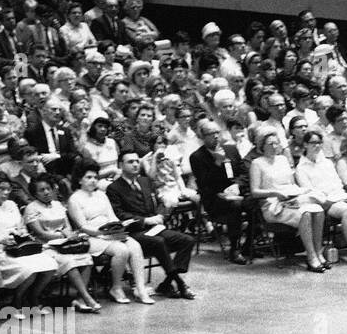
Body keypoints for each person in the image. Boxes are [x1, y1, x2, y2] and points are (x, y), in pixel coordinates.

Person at [106, 151, 198, 298]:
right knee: (158, 242)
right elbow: (119, 215)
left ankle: (167, 283)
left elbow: (160, 201)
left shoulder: (145, 181)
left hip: (155, 228)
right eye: (130, 162)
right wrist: (145, 221)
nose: (135, 164)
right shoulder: (114, 188)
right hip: (133, 232)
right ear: (121, 165)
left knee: (187, 240)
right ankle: (180, 283)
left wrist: (161, 214)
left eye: (137, 161)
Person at [0, 172, 64, 315]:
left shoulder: (11, 205)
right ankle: (17, 301)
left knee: (50, 264)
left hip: (19, 248)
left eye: (8, 189)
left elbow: (21, 226)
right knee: (29, 270)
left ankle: (32, 296)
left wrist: (21, 232)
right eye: (1, 189)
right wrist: (0, 240)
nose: (5, 193)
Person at [67, 164, 152, 305]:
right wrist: (102, 233)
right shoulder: (74, 199)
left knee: (135, 246)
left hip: (110, 233)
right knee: (121, 250)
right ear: (80, 180)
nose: (93, 180)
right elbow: (82, 226)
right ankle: (116, 287)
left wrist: (118, 227)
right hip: (90, 237)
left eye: (95, 177)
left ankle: (140, 288)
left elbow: (112, 216)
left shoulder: (101, 194)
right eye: (88, 177)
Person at [249, 130, 328, 272]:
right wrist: (275, 193)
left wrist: (298, 192)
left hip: (290, 199)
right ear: (262, 145)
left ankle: (318, 252)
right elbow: (255, 192)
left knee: (319, 210)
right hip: (272, 205)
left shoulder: (283, 160)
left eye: (276, 143)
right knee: (306, 214)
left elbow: (291, 184)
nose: (274, 146)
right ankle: (311, 257)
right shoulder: (257, 163)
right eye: (270, 143)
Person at [22, 175, 102, 313]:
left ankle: (79, 298)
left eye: (48, 188)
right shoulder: (31, 208)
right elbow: (41, 233)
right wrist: (63, 235)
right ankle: (87, 297)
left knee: (86, 258)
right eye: (41, 190)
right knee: (69, 261)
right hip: (45, 247)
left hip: (64, 244)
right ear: (35, 193)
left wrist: (68, 236)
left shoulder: (58, 205)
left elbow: (68, 227)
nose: (46, 192)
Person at [295, 129, 347, 265]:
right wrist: (328, 195)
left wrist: (338, 194)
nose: (317, 146)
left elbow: (337, 182)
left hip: (337, 195)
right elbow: (310, 191)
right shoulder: (301, 168)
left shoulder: (327, 163)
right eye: (313, 143)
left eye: (319, 142)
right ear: (305, 145)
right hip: (323, 202)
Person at [188, 119, 249, 264]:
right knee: (235, 206)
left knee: (256, 202)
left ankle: (249, 244)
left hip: (236, 192)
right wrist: (217, 163)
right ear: (203, 137)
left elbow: (244, 173)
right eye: (211, 133)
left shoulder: (231, 149)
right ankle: (235, 248)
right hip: (215, 199)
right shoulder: (197, 157)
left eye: (217, 132)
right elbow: (204, 184)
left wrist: (237, 185)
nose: (215, 136)